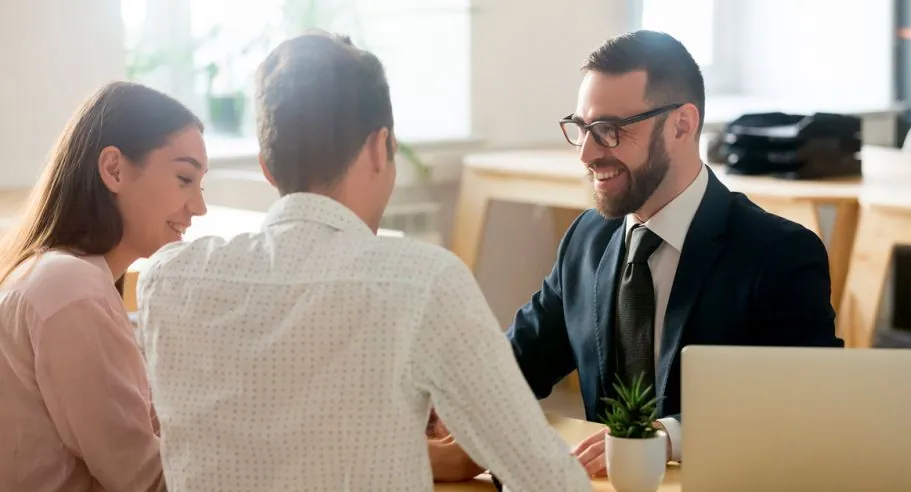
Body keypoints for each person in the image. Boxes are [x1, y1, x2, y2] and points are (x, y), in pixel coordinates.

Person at [136, 31, 591, 492]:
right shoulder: (424, 281)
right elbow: (547, 478)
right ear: (381, 147)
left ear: (268, 167)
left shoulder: (167, 280)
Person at [430, 29, 844, 480]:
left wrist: (665, 437)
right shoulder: (587, 239)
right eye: (582, 128)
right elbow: (517, 360)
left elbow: (805, 407)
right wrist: (443, 405)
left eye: (609, 131)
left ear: (681, 125)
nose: (587, 153)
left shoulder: (779, 254)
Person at [0, 81, 207, 491]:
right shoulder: (70, 290)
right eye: (185, 178)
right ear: (113, 169)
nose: (198, 207)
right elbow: (143, 480)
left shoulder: (64, 277)